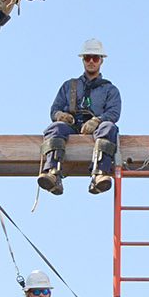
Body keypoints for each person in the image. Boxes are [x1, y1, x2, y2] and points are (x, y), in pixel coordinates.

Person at [37, 39, 121, 196]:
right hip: (72, 127)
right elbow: (54, 109)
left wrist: (97, 121)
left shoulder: (110, 89)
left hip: (97, 130)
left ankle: (99, 173)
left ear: (101, 61)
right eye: (87, 58)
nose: (91, 61)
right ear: (83, 60)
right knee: (54, 128)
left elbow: (114, 113)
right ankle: (52, 172)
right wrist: (60, 115)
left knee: (109, 128)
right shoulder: (69, 86)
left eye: (95, 58)